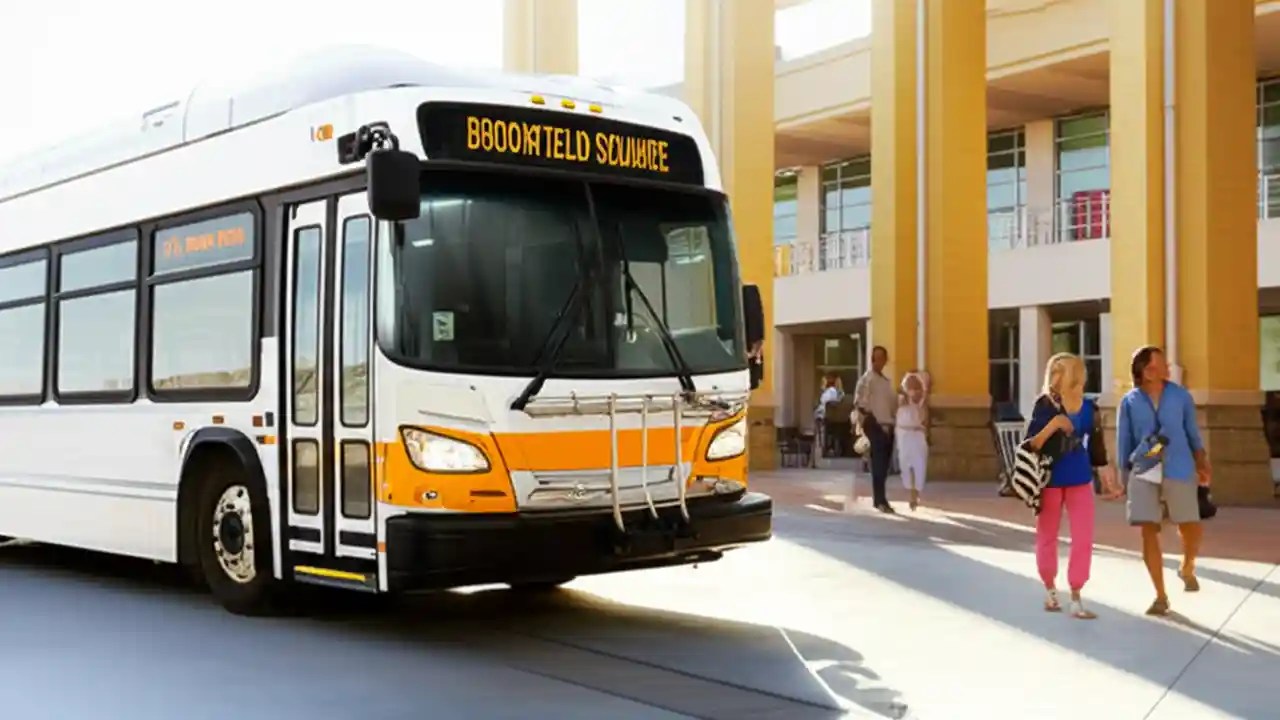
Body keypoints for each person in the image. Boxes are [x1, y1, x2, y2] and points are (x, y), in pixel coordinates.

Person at [1024, 353, 1123, 619]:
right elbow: (1032, 444)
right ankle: (1050, 589)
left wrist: (1106, 475)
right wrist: (1055, 424)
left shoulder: (1090, 408)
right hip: (1050, 481)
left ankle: (1077, 594)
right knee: (1047, 536)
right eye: (1054, 371)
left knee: (1083, 538)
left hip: (1080, 479)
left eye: (1062, 371)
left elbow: (1097, 448)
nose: (1055, 376)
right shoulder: (1044, 405)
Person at [1116, 345, 1212, 617]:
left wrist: (1202, 462)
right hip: (1144, 467)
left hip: (1179, 466)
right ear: (1147, 371)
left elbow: (1192, 432)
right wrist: (1124, 477)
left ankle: (1187, 566)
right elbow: (1124, 440)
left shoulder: (1180, 396)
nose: (1167, 369)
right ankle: (1160, 596)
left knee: (1190, 525)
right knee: (1148, 529)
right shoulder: (1129, 402)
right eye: (1160, 365)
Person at [854, 346, 898, 513]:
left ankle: (881, 498)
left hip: (888, 426)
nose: (878, 361)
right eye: (876, 358)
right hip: (875, 425)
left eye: (881, 358)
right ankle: (879, 500)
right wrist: (871, 423)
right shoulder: (867, 380)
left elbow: (893, 405)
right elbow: (860, 403)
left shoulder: (886, 382)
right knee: (878, 464)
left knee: (885, 466)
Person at [895, 371, 930, 511]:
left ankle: (915, 494)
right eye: (910, 385)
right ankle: (911, 493)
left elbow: (924, 418)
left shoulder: (922, 401)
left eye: (916, 386)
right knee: (905, 464)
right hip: (904, 434)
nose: (913, 389)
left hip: (917, 434)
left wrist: (920, 400)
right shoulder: (900, 399)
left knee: (919, 464)